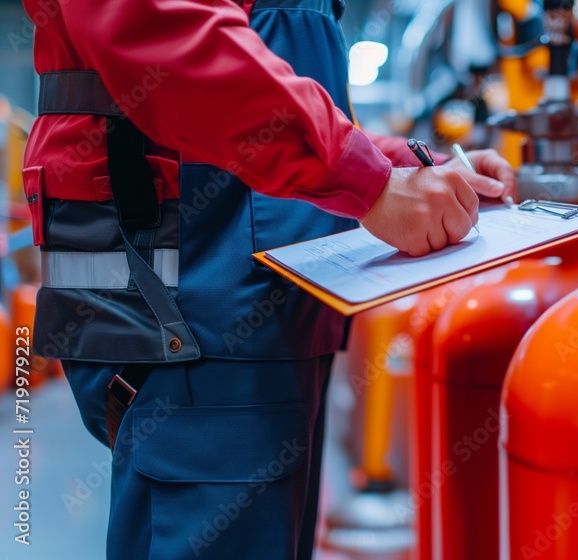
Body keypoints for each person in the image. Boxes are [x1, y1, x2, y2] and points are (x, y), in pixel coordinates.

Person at [21, 0, 515, 557]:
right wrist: (370, 182)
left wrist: (407, 170)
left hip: (260, 296)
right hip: (191, 292)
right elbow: (167, 35)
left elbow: (278, 86)